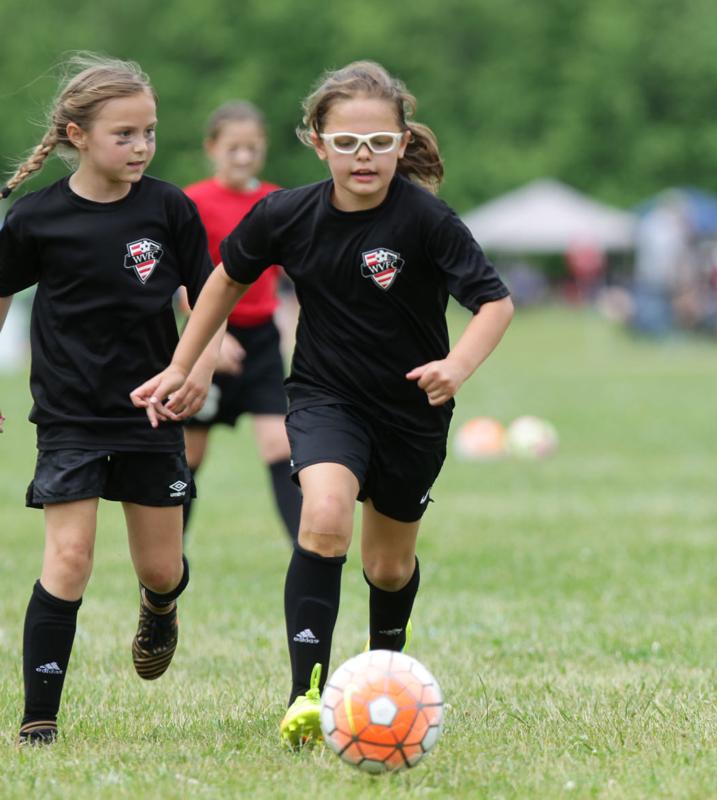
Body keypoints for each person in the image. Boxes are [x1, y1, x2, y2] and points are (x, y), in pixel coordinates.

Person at [131, 60, 514, 748]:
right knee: (325, 514)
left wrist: (456, 366)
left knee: (387, 567)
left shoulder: (426, 219)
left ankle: (382, 675)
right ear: (317, 143)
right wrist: (184, 364)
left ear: (402, 142)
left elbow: (495, 302)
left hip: (412, 411)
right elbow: (223, 281)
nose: (363, 157)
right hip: (324, 397)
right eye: (346, 143)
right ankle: (305, 696)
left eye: (379, 142)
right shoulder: (286, 214)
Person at [0, 54, 221, 745]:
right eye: (124, 134)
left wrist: (198, 370)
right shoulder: (37, 218)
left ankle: (161, 606)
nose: (140, 146)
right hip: (68, 416)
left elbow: (210, 299)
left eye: (148, 132)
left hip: (153, 414)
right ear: (77, 135)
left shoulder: (169, 208)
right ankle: (39, 719)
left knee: (161, 566)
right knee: (68, 558)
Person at [183, 101, 300, 541]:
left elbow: (294, 275)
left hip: (262, 341)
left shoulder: (276, 201)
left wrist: (293, 323)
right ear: (212, 148)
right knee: (190, 453)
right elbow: (184, 281)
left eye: (253, 148)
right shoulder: (194, 202)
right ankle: (166, 559)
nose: (244, 157)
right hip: (207, 340)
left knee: (280, 445)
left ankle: (308, 554)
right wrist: (215, 338)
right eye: (234, 148)